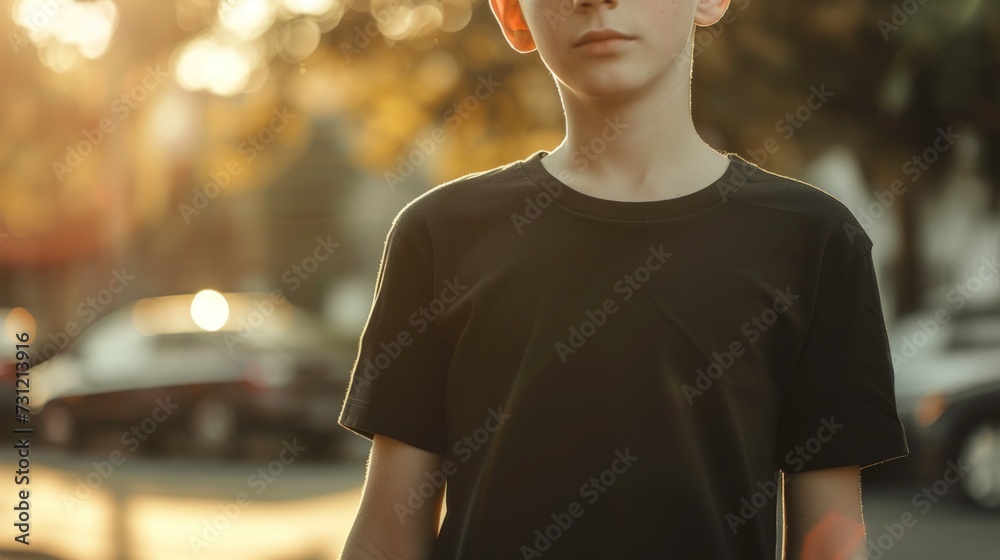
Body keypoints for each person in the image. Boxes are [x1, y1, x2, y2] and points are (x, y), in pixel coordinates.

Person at [337, 0, 909, 557]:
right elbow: (386, 541)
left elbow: (831, 546)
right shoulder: (441, 235)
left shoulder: (813, 241)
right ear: (514, 14)